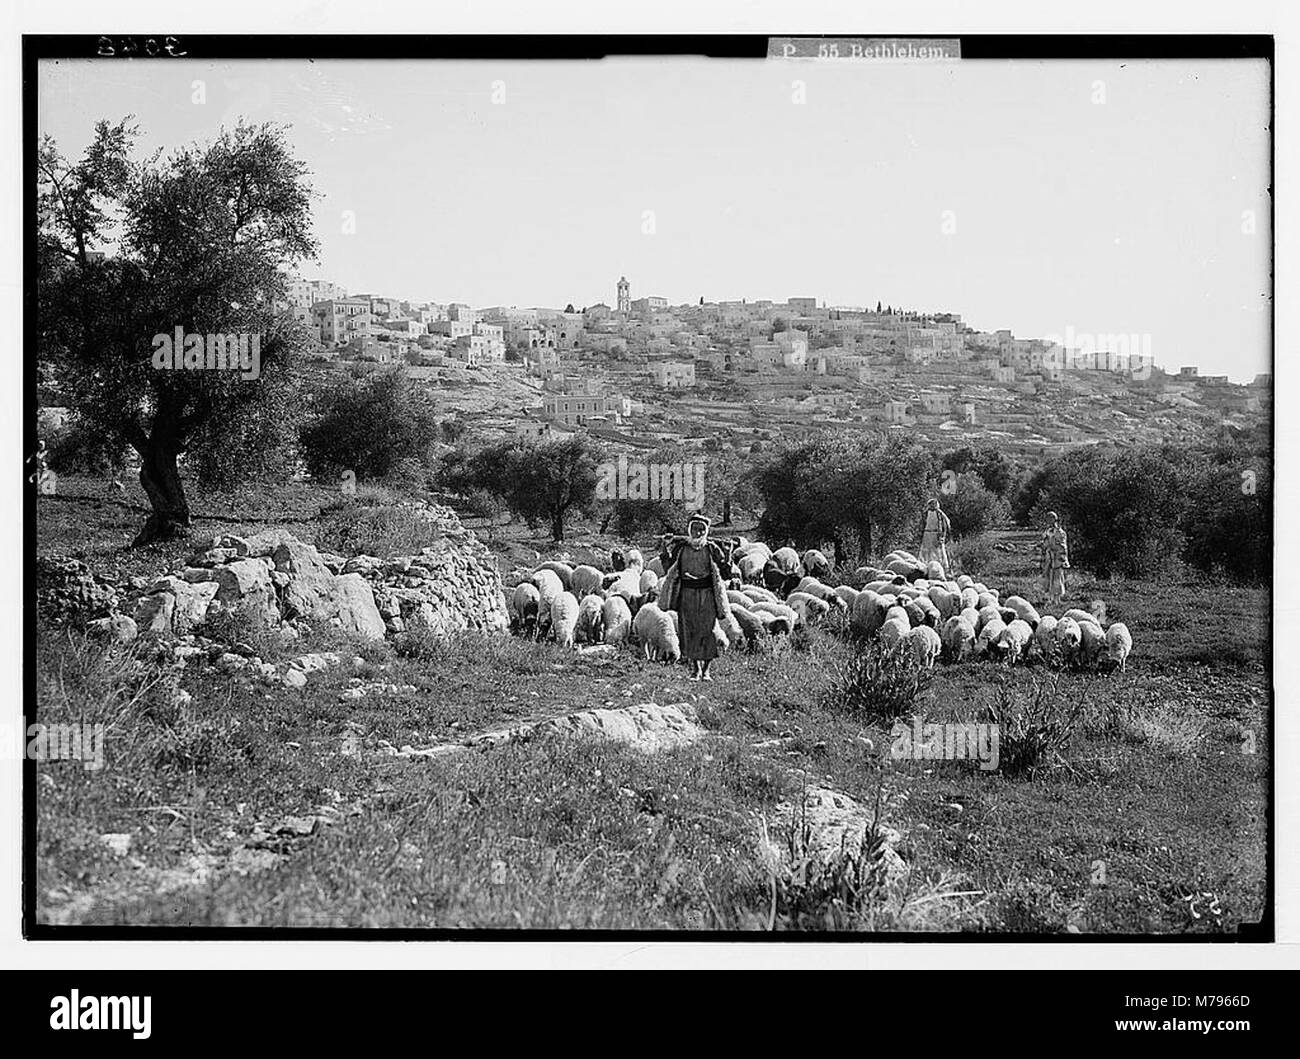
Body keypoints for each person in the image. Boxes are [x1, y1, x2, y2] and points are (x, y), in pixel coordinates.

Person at [659, 514, 734, 682]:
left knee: (708, 630)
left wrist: (728, 555)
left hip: (707, 594)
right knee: (689, 631)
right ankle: (695, 670)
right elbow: (668, 568)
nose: (698, 533)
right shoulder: (681, 548)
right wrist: (665, 548)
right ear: (689, 530)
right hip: (686, 594)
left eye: (701, 529)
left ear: (706, 531)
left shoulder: (712, 549)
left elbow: (725, 572)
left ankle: (706, 671)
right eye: (694, 529)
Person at [1040, 510, 1070, 606]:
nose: (1048, 520)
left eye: (1051, 518)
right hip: (1049, 558)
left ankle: (1057, 599)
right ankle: (1048, 598)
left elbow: (1062, 545)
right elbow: (1044, 543)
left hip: (1057, 558)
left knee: (1057, 577)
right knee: (1048, 576)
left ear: (1055, 519)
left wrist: (1060, 555)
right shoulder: (1047, 531)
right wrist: (1044, 548)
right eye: (1047, 518)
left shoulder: (1060, 532)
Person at [916, 498, 952, 571]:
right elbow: (921, 524)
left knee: (938, 551)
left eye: (933, 504)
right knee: (925, 550)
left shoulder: (940, 514)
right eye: (930, 504)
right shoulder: (925, 513)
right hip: (926, 533)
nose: (932, 506)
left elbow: (946, 523)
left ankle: (942, 567)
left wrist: (943, 535)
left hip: (936, 534)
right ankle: (924, 566)